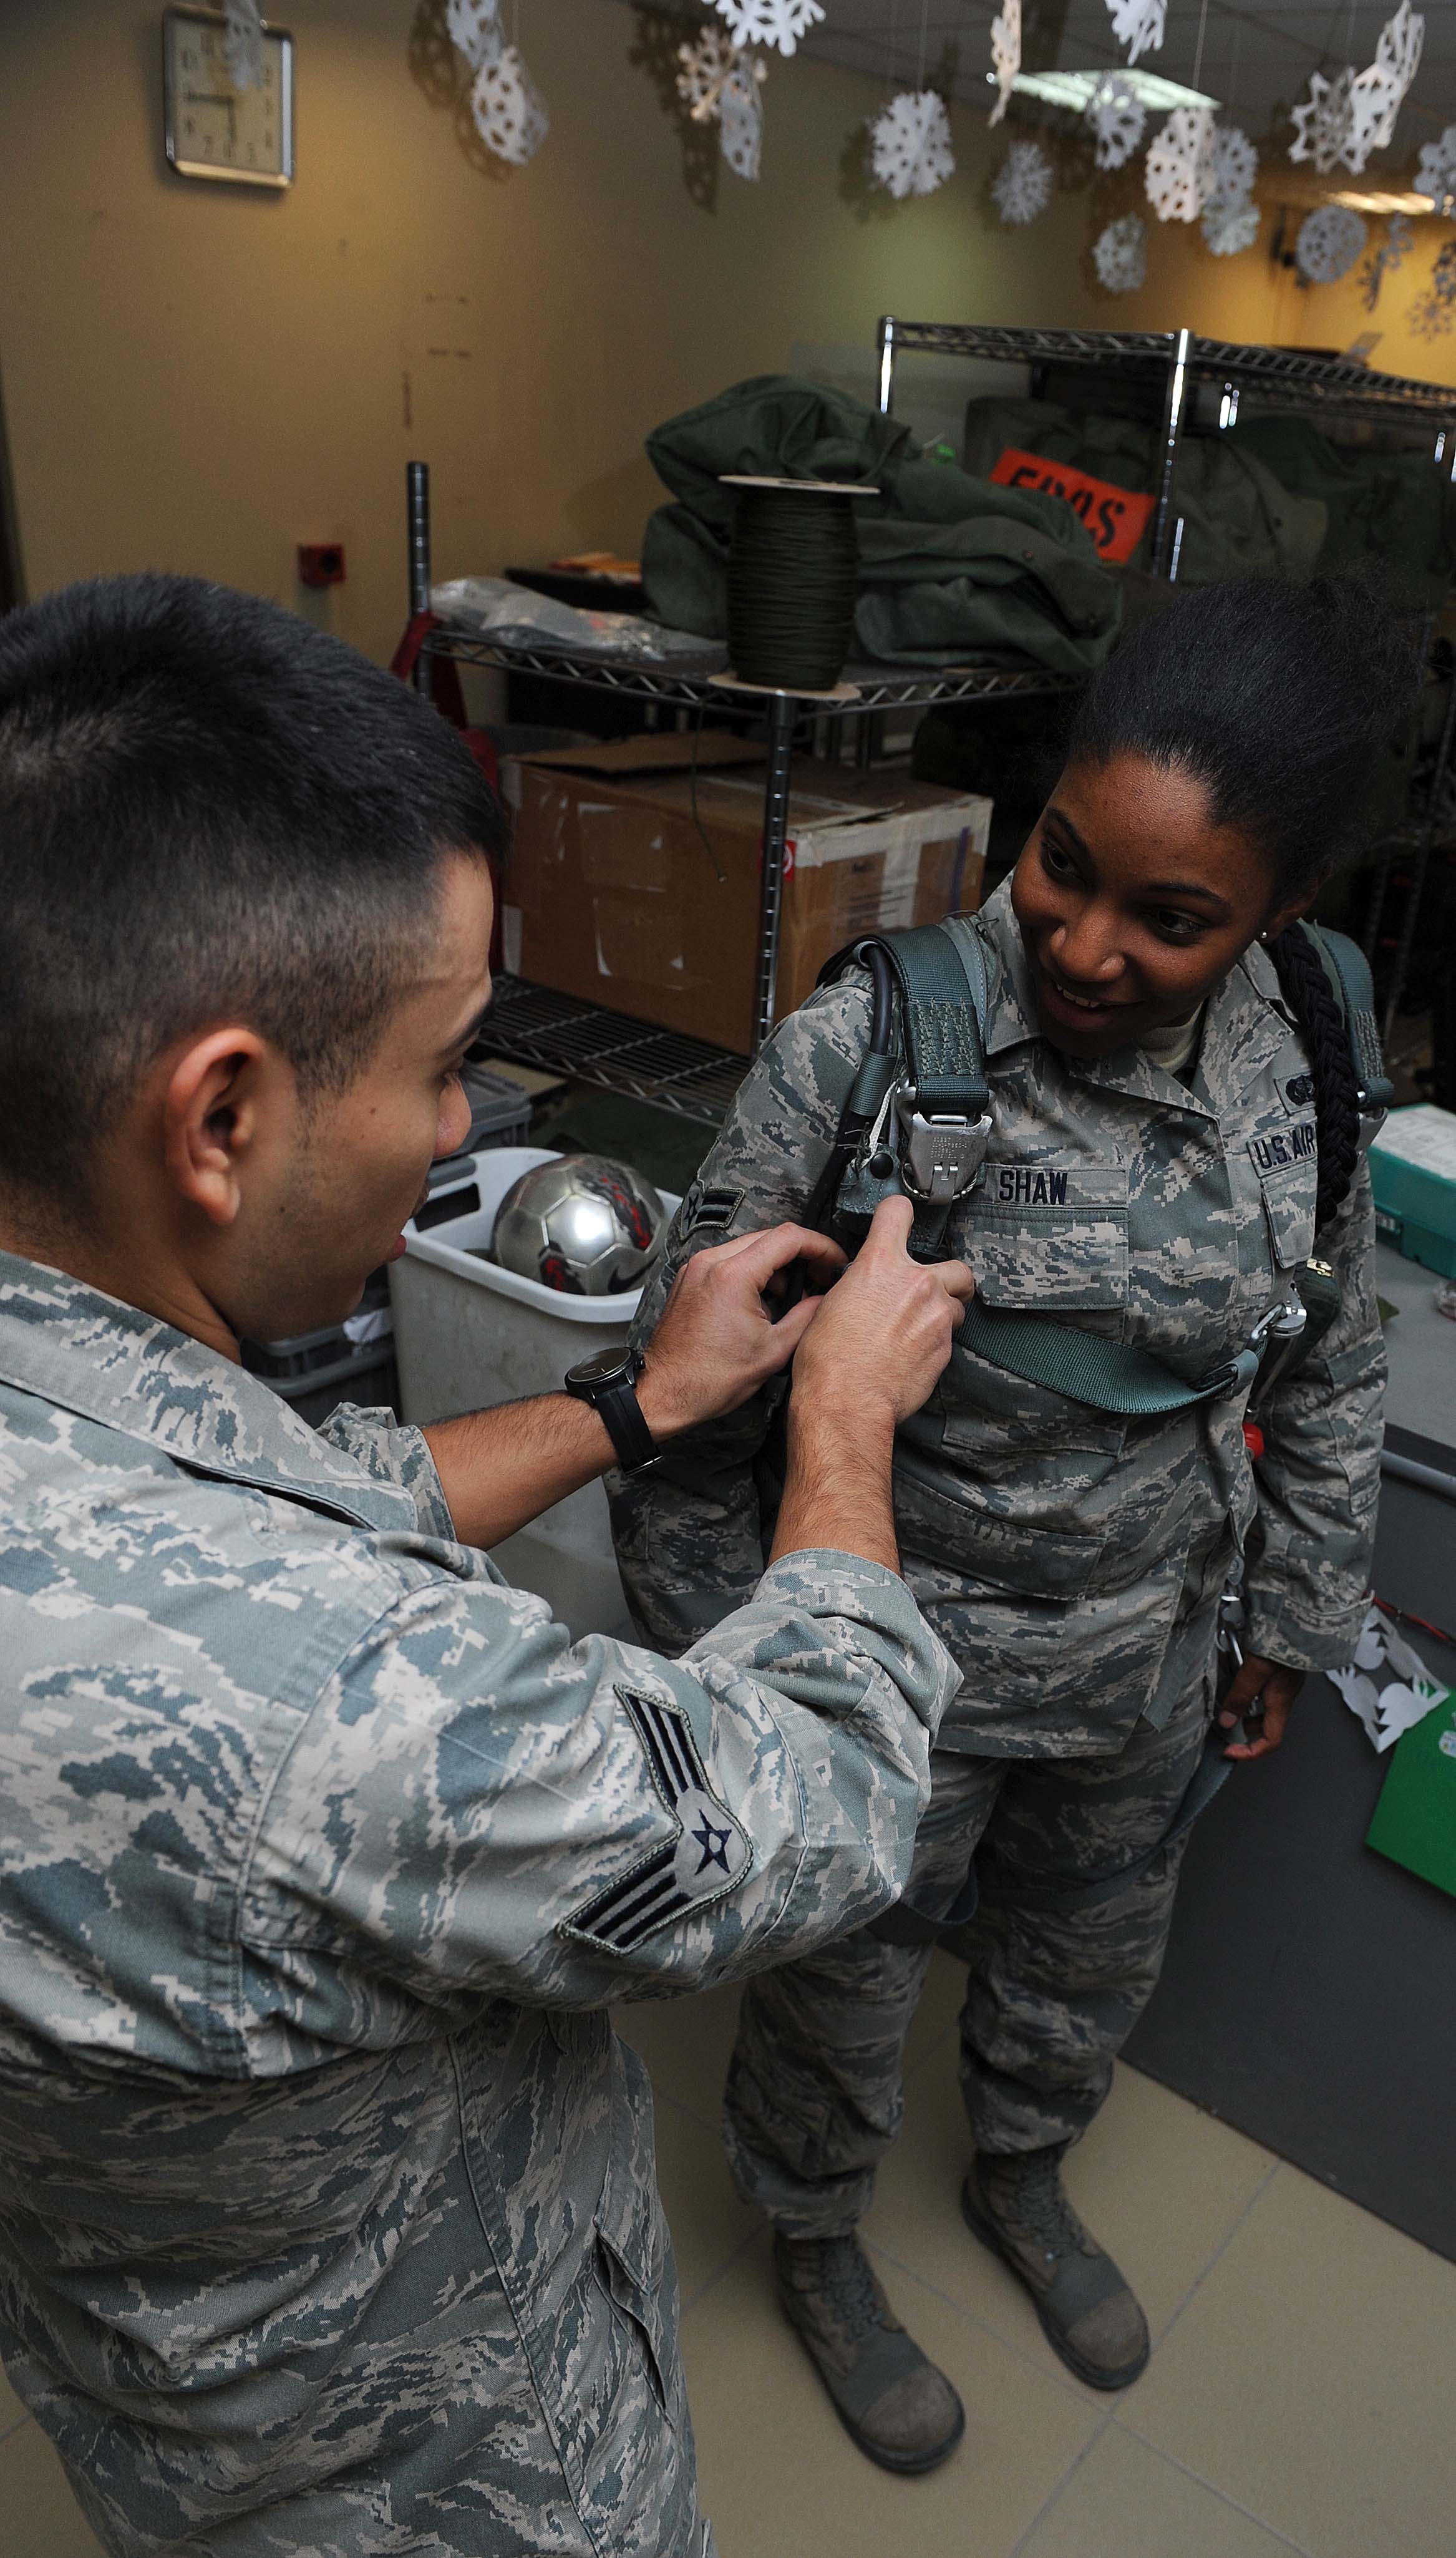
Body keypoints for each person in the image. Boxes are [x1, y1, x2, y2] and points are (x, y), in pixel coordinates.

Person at [0, 573, 978, 2557]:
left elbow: (276, 1501)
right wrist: (845, 1424)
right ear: (222, 1113)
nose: (465, 1124)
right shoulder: (349, 1704)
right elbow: (822, 1804)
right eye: (446, 1065)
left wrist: (637, 1406)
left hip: (174, 2406)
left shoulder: (87, 1434)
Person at [613, 575, 1414, 2474]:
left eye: (1172, 917)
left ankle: (1025, 2173)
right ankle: (813, 2240)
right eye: (1066, 862)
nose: (1085, 937)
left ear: (1277, 916)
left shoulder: (1306, 1040)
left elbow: (1335, 1337)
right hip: (894, 1672)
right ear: (1044, 799)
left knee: (1089, 1956)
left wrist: (1289, 1616)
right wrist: (742, 1689)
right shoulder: (882, 1045)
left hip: (1148, 1652)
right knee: (839, 1989)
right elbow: (695, 1398)